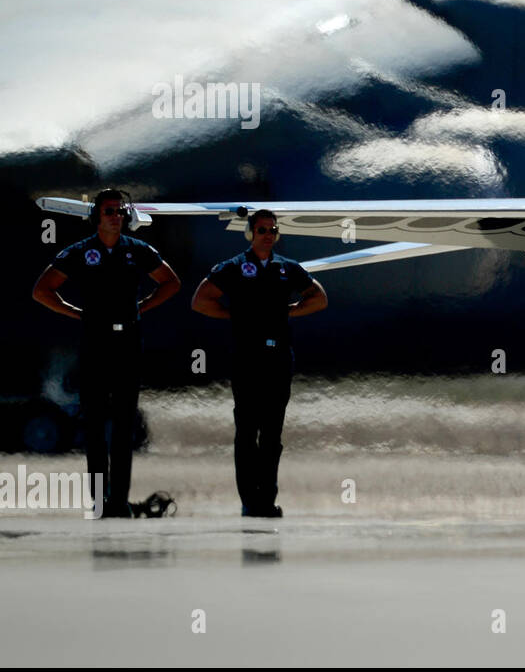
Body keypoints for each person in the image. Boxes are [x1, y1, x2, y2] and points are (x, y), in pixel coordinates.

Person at [32, 189, 181, 518]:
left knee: (124, 424)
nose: (116, 217)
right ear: (96, 217)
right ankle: (99, 500)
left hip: (128, 339)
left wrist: (143, 306)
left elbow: (171, 282)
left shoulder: (137, 250)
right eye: (109, 211)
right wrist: (75, 312)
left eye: (120, 211)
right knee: (95, 424)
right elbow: (42, 290)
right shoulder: (81, 252)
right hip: (95, 340)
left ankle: (119, 501)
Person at [191, 209, 327, 517]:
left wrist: (289, 311)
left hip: (278, 358)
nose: (268, 235)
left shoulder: (287, 268)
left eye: (272, 230)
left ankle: (267, 499)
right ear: (251, 233)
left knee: (272, 434)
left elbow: (319, 298)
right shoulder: (234, 267)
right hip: (247, 358)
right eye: (262, 229)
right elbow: (200, 301)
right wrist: (236, 316)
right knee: (246, 431)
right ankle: (249, 500)